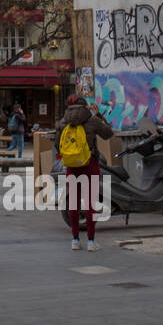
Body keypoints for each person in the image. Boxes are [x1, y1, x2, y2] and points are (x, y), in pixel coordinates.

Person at [55, 94, 114, 252]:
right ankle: (91, 241)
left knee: (73, 202)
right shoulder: (92, 120)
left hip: (71, 165)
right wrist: (100, 115)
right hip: (90, 164)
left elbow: (57, 145)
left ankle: (75, 239)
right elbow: (108, 133)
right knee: (90, 203)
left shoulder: (63, 121)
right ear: (84, 105)